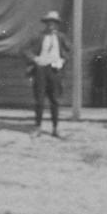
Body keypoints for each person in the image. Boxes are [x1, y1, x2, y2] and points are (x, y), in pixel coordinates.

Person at [24, 10, 71, 138]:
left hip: (55, 70)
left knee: (55, 100)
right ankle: (37, 127)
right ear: (45, 23)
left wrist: (63, 60)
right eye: (49, 22)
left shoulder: (61, 37)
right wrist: (34, 59)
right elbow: (25, 49)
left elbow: (68, 50)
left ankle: (55, 129)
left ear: (57, 24)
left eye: (54, 22)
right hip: (41, 70)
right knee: (39, 99)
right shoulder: (39, 36)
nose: (51, 25)